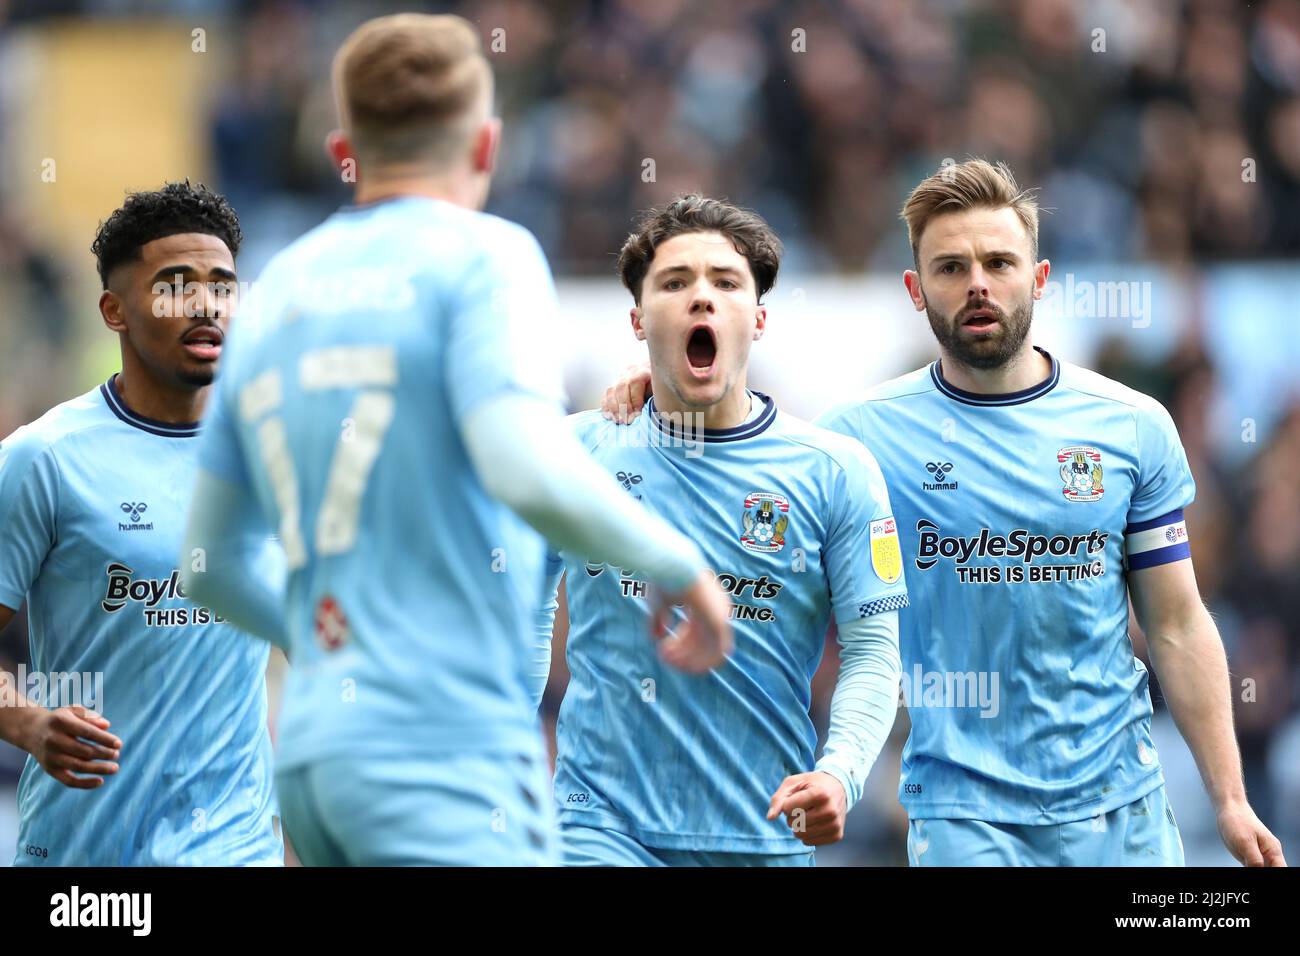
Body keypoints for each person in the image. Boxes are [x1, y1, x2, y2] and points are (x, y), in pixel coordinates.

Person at [601, 160, 1286, 867]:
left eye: (998, 262)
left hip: (1125, 812)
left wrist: (1229, 800)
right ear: (915, 289)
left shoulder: (1130, 426)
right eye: (951, 267)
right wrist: (667, 393)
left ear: (1040, 278)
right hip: (963, 821)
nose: (978, 284)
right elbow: (749, 461)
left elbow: (1176, 622)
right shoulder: (857, 439)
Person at [181, 14, 729, 867]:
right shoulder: (487, 257)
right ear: (487, 145)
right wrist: (677, 563)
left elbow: (207, 561)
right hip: (442, 756)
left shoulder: (278, 286)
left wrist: (321, 634)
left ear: (342, 154)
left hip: (314, 756)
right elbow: (520, 460)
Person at [543, 195, 905, 866]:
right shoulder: (577, 452)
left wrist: (840, 772)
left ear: (758, 318)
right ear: (637, 318)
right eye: (675, 283)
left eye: (725, 282)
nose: (701, 298)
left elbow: (875, 652)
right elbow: (523, 610)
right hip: (598, 829)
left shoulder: (836, 472)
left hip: (762, 836)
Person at [0, 181, 282, 865]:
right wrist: (26, 720)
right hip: (85, 861)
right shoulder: (44, 461)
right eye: (175, 285)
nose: (206, 305)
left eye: (222, 284)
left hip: (235, 848)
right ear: (114, 310)